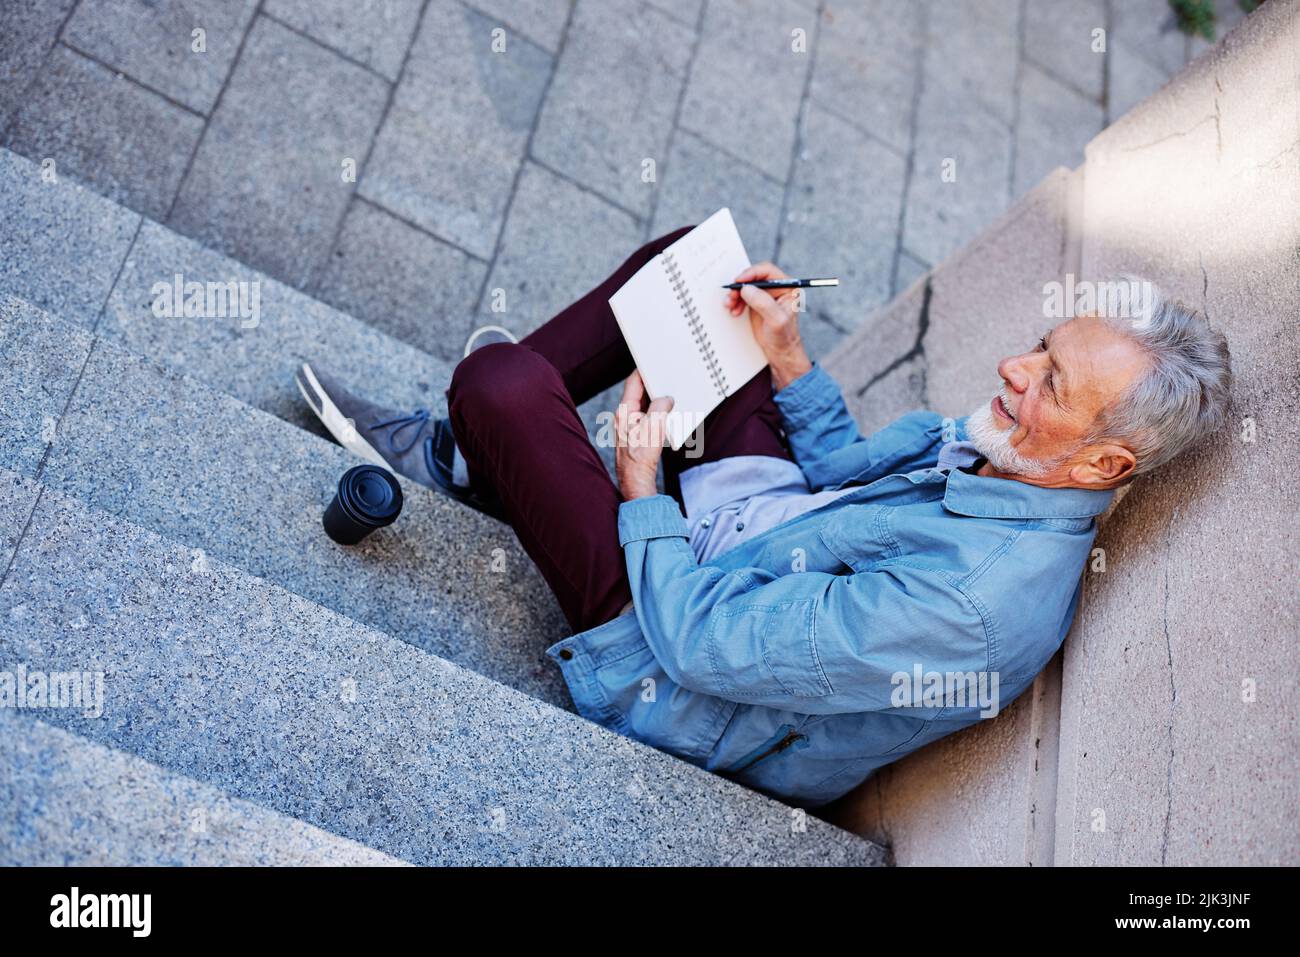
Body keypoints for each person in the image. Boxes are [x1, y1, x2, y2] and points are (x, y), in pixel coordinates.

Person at [296, 227, 1232, 807]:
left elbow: (701, 644)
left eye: (1051, 380)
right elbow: (838, 470)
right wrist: (784, 353)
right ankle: (477, 458)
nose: (1013, 370)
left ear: (1106, 461)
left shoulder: (976, 609)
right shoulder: (1020, 450)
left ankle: (482, 437)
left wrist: (641, 479)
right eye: (1039, 345)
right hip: (764, 529)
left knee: (500, 384)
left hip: (671, 649)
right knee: (693, 276)